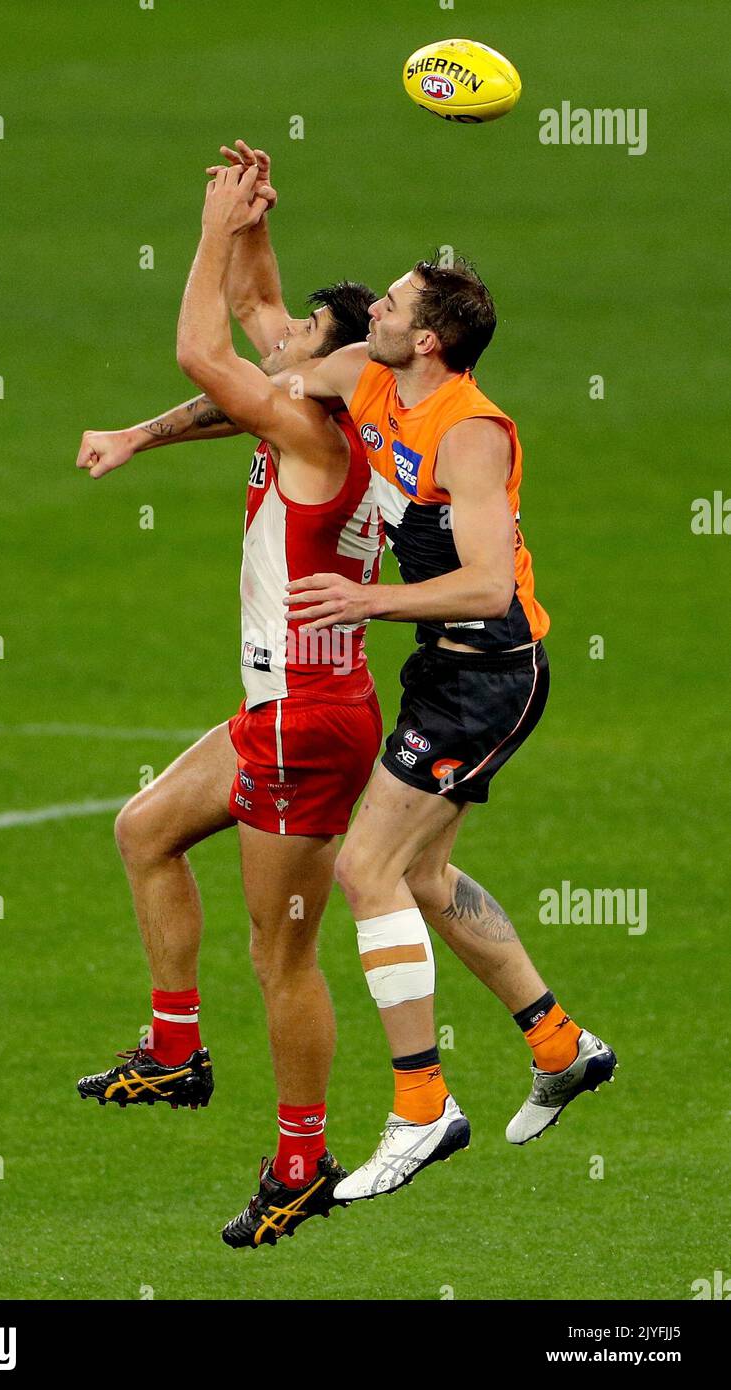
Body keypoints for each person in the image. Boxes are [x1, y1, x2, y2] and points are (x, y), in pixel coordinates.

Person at [74, 145, 384, 1247]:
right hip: (283, 708)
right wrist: (253, 214)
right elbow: (253, 307)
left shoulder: (315, 429)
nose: (281, 338)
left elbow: (204, 344)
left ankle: (302, 1161)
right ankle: (173, 1053)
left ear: (336, 365)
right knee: (145, 827)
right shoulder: (313, 394)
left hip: (307, 724)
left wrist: (205, 223)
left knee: (281, 955)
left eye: (301, 338)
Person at [274, 253, 618, 1200]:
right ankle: (558, 1043)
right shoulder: (369, 376)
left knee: (367, 869)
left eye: (389, 304)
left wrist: (363, 597)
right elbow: (260, 387)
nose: (369, 309)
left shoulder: (471, 434)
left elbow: (486, 587)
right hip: (442, 669)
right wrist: (140, 436)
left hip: (491, 678)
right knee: (420, 874)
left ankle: (423, 1109)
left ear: (428, 338)